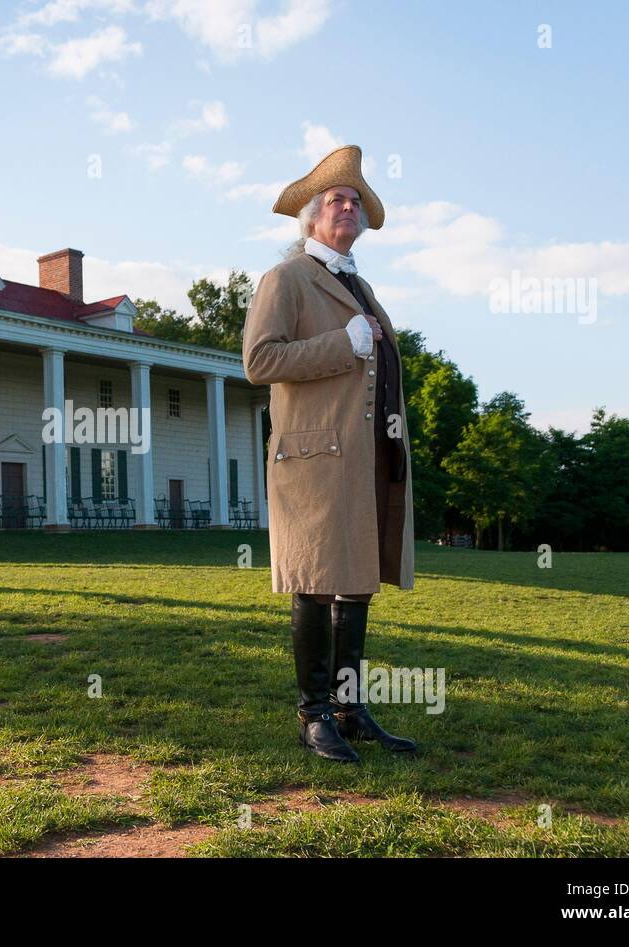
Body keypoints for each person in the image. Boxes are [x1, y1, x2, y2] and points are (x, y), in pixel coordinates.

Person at [242, 145, 418, 763]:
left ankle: (349, 707)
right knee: (317, 583)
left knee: (356, 585)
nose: (347, 208)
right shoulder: (285, 279)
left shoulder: (360, 286)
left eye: (355, 203)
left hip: (368, 453)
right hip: (315, 458)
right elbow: (259, 362)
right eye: (337, 200)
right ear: (312, 218)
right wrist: (340, 343)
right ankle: (313, 713)